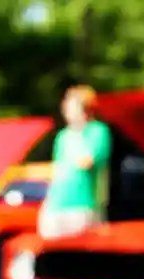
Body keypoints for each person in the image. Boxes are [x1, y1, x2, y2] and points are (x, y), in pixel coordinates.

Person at [38, 85, 111, 239]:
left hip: (83, 204)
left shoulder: (97, 131)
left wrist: (79, 130)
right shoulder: (63, 136)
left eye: (71, 104)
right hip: (56, 204)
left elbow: (86, 162)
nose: (66, 108)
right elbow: (58, 170)